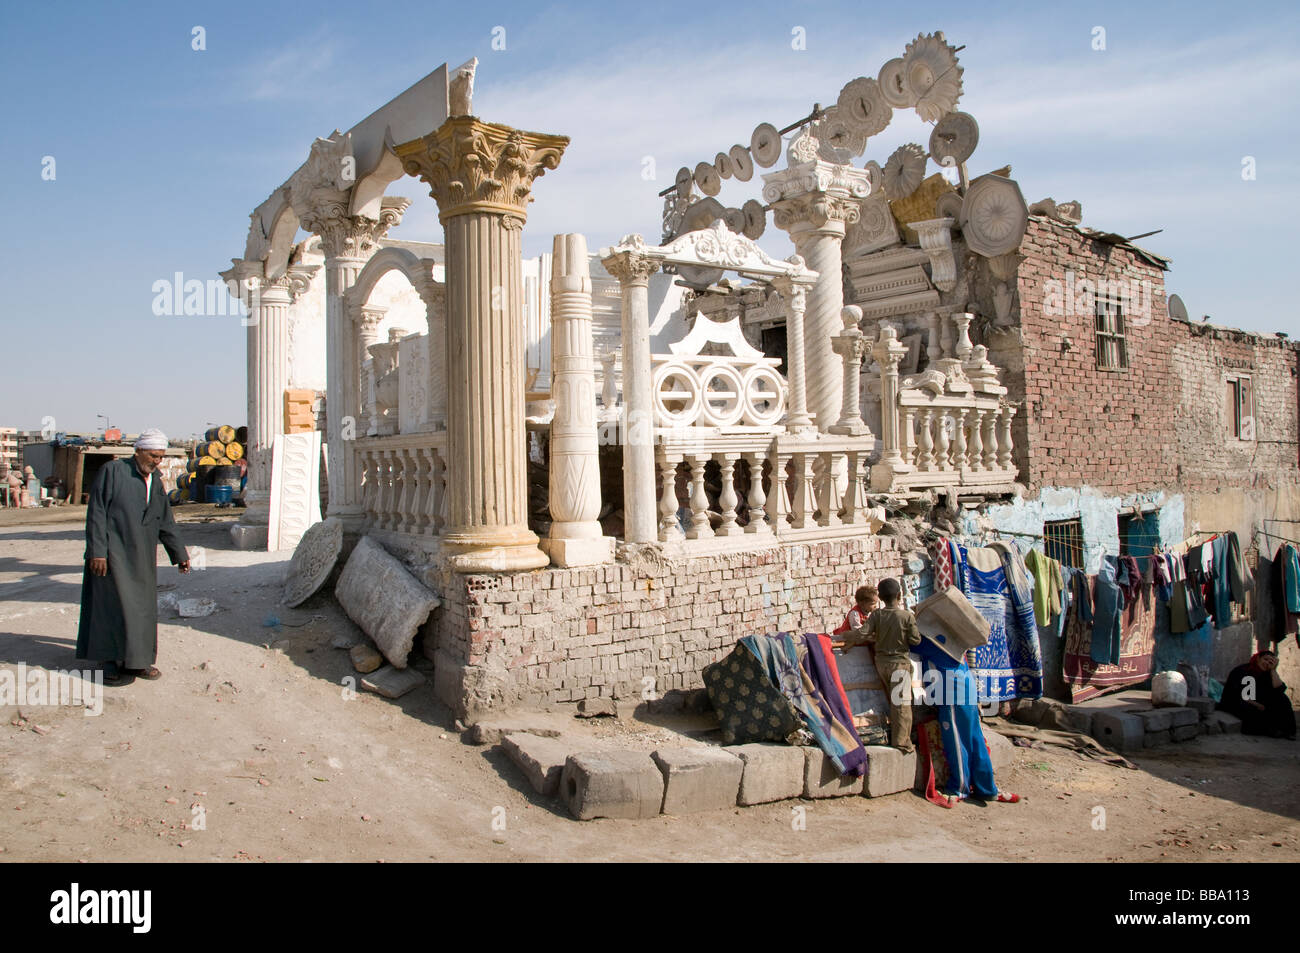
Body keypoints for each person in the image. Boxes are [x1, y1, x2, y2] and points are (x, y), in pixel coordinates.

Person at [76, 429, 190, 683]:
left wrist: (179, 554)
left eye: (160, 457)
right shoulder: (113, 472)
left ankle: (136, 662)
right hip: (111, 555)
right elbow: (96, 513)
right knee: (111, 608)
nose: (157, 461)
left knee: (141, 610)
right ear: (138, 451)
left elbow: (165, 521)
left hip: (142, 558)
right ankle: (108, 661)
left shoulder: (156, 480)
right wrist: (97, 552)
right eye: (153, 456)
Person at [842, 577, 920, 753]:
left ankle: (896, 734)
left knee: (892, 700)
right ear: (899, 596)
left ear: (882, 598)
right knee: (902, 705)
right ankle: (902, 742)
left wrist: (846, 637)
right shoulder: (906, 616)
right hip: (899, 664)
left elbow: (861, 633)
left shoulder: (877, 615)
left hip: (881, 663)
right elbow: (915, 640)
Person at [1219, 650, 1296, 740]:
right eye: (1265, 659)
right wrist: (1258, 705)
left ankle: (1288, 731)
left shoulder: (1267, 673)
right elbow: (1244, 696)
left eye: (1270, 661)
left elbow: (1278, 689)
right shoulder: (1245, 671)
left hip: (1254, 700)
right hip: (1237, 701)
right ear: (1258, 658)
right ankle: (1268, 730)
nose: (1267, 663)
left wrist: (1273, 670)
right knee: (1254, 710)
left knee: (1283, 699)